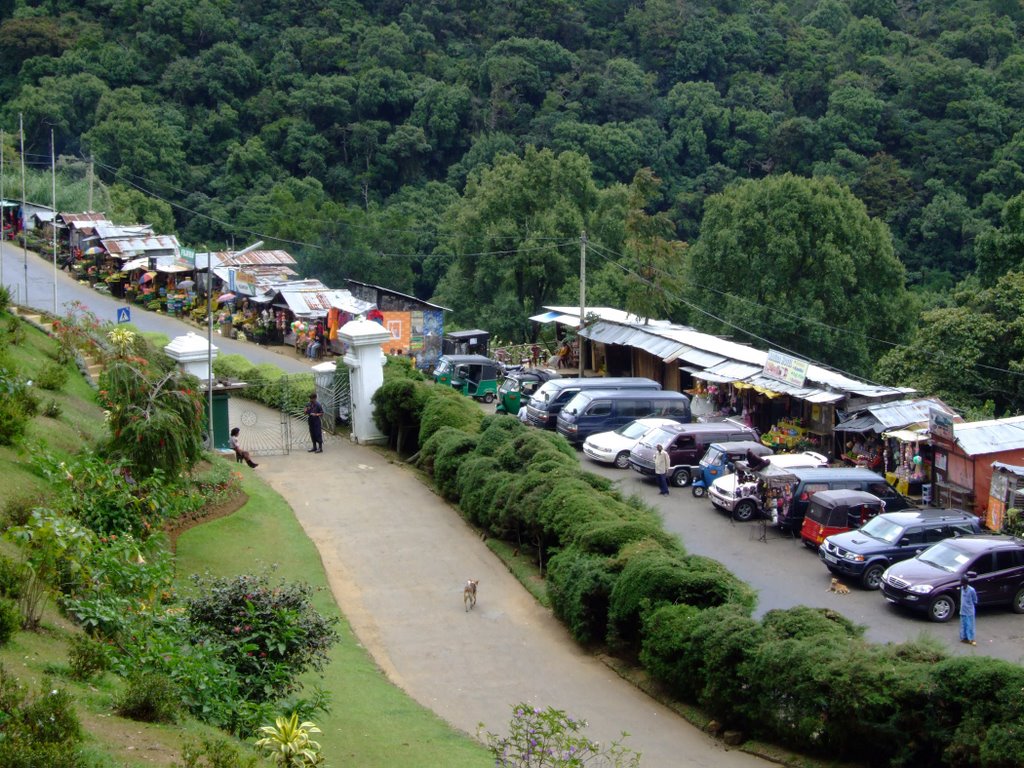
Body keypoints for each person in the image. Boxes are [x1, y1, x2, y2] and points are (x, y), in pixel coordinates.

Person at [959, 574, 979, 645]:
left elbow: (975, 600)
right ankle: (963, 638)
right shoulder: (961, 589)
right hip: (963, 610)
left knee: (970, 625)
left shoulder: (971, 590)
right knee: (963, 624)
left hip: (969, 611)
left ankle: (971, 638)